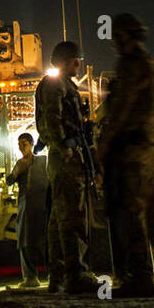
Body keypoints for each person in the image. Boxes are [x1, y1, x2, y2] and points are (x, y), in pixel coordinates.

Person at [95, 14, 154, 298]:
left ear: (124, 35)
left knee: (131, 211)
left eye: (115, 36)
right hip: (151, 145)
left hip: (132, 146)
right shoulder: (151, 63)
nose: (113, 42)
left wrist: (106, 142)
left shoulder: (130, 64)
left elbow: (122, 106)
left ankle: (140, 277)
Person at [34, 41, 101, 295]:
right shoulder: (55, 84)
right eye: (76, 59)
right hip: (66, 158)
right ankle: (77, 275)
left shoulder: (64, 85)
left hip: (70, 155)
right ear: (64, 60)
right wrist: (66, 149)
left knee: (59, 220)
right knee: (73, 217)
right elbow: (51, 118)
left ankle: (59, 276)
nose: (79, 63)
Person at [6, 132, 42, 288]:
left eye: (24, 144)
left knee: (43, 240)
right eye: (19, 144)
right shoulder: (20, 163)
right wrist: (16, 171)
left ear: (32, 144)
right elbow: (9, 181)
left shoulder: (42, 161)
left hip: (40, 206)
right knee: (24, 241)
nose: (21, 147)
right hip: (25, 206)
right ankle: (30, 277)